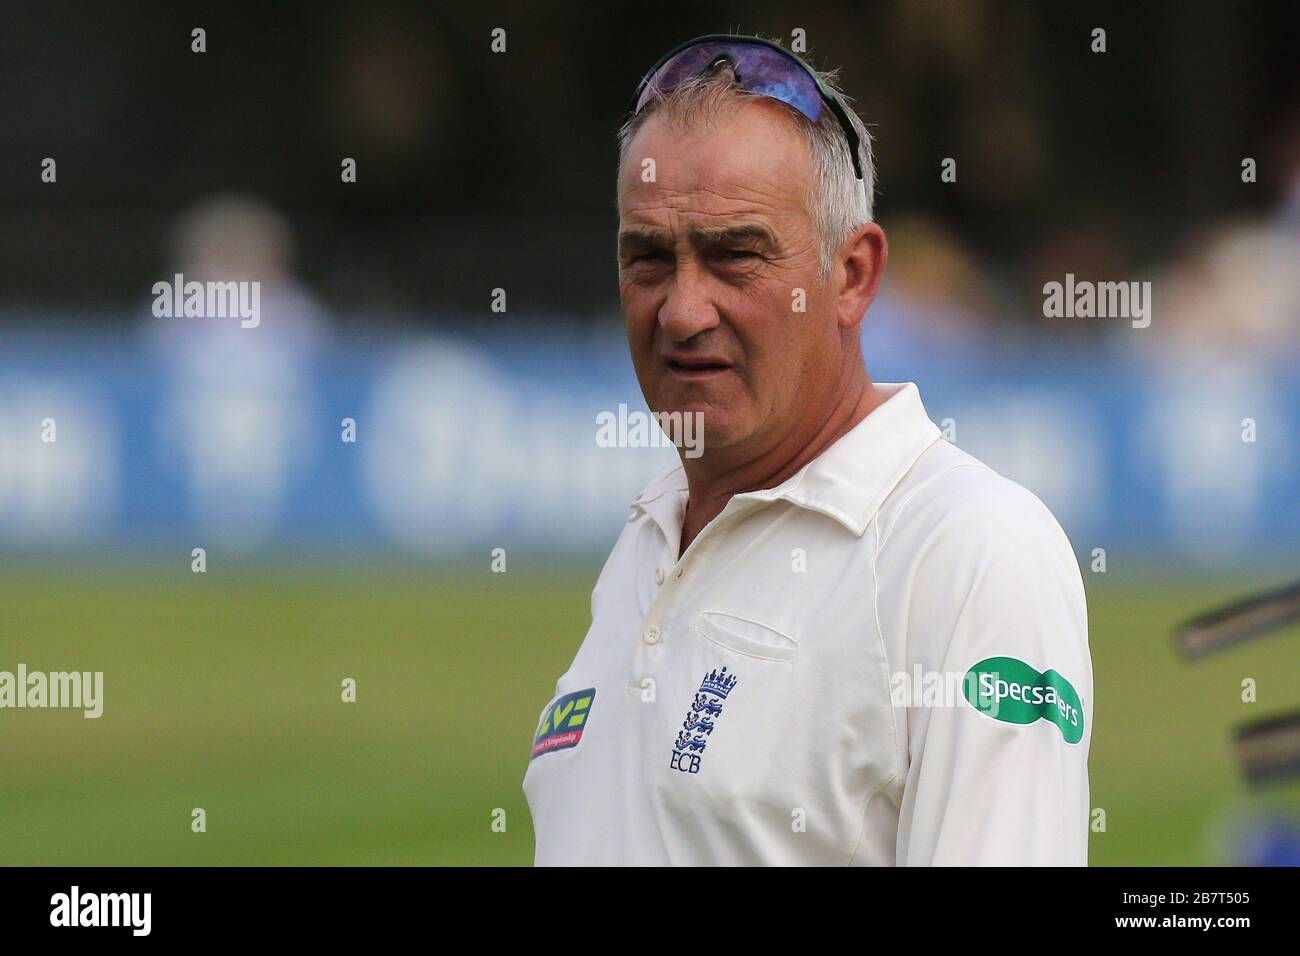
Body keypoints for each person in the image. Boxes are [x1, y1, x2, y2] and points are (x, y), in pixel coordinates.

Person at [523, 35, 1091, 865]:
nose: (682, 310)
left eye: (735, 257)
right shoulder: (652, 536)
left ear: (853, 275)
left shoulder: (969, 551)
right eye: (649, 257)